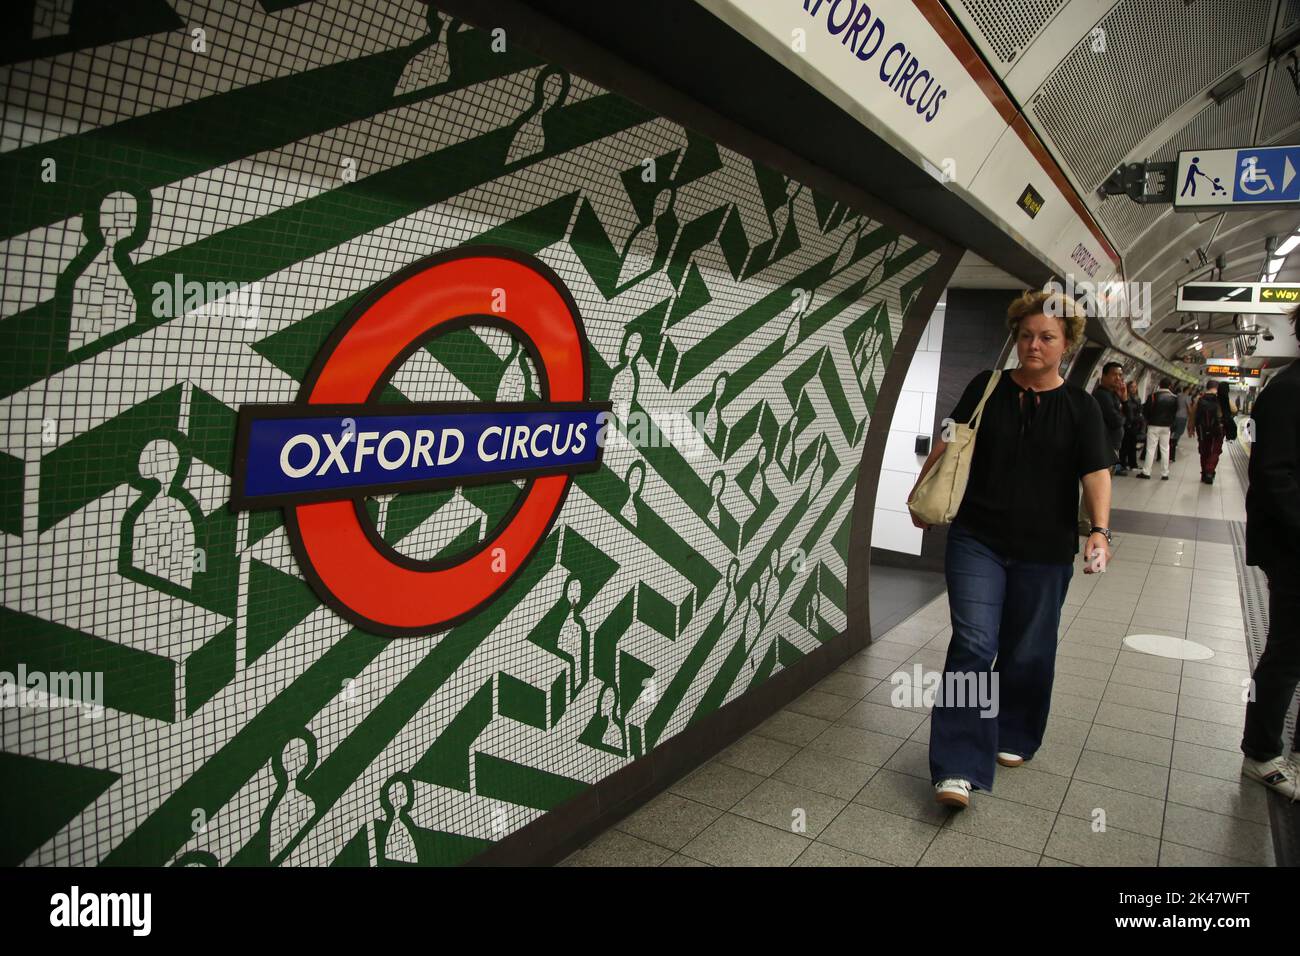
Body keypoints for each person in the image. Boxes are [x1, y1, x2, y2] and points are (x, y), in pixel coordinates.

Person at [909, 290, 1115, 808]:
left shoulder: (1080, 407)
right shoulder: (987, 386)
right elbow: (951, 439)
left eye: (1046, 337)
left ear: (1067, 344)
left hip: (1045, 550)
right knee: (974, 645)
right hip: (977, 540)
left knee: (1029, 648)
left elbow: (1096, 472)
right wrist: (923, 490)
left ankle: (1015, 730)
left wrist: (1099, 530)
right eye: (1025, 335)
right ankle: (956, 765)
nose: (1033, 345)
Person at [1240, 306, 1300, 799]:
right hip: (1294, 549)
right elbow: (1273, 476)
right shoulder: (1286, 393)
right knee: (1288, 650)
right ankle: (1260, 752)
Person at [1138, 378, 1177, 480]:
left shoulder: (1153, 396)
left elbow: (1146, 411)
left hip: (1153, 425)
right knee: (1165, 449)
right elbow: (1174, 413)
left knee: (1151, 449)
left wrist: (1149, 420)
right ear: (1170, 386)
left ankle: (1146, 472)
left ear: (1159, 385)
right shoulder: (1174, 398)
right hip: (1166, 427)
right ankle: (1165, 473)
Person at [1190, 380, 1225, 484]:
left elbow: (1193, 413)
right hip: (1218, 429)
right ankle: (1209, 472)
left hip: (1202, 428)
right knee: (1215, 450)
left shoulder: (1199, 398)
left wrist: (1190, 427)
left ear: (1207, 387)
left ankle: (1204, 473)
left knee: (1204, 450)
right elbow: (1234, 409)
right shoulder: (1221, 398)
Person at [1093, 362, 1126, 475]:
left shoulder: (1113, 395)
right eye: (1114, 374)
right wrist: (1123, 415)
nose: (1118, 378)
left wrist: (1124, 400)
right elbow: (1116, 421)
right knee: (1100, 485)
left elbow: (1127, 417)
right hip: (1104, 447)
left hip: (1111, 446)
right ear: (1104, 376)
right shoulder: (1102, 395)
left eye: (1120, 375)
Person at [1120, 382, 1143, 472]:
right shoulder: (1126, 398)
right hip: (1127, 424)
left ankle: (1132, 463)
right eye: (1131, 387)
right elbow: (1127, 410)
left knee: (1132, 445)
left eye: (1135, 387)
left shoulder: (1138, 399)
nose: (1133, 389)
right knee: (1125, 445)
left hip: (1135, 425)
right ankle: (1123, 463)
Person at [1171, 383, 1192, 463]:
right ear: (1187, 390)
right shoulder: (1187, 397)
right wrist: (1191, 416)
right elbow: (1189, 408)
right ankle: (1174, 443)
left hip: (1176, 415)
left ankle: (1173, 441)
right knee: (1180, 431)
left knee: (1174, 429)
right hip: (1183, 416)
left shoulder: (1178, 396)